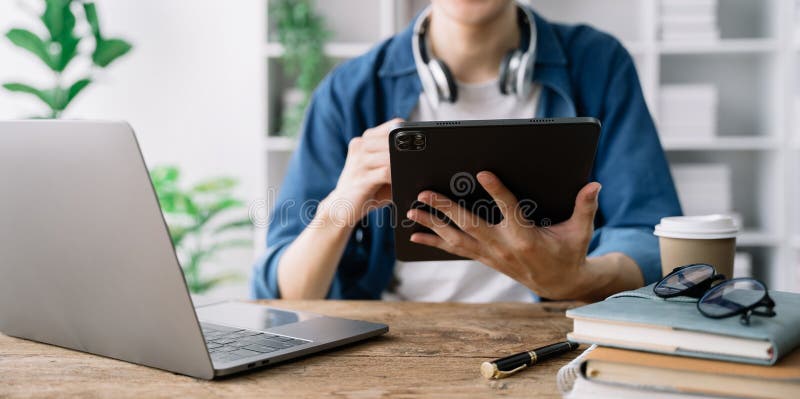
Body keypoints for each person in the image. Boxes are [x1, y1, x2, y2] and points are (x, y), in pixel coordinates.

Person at [251, 0, 682, 303]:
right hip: (394, 343)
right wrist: (339, 207)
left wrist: (578, 280)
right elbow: (283, 297)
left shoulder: (599, 64)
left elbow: (654, 239)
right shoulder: (349, 91)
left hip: (553, 338)